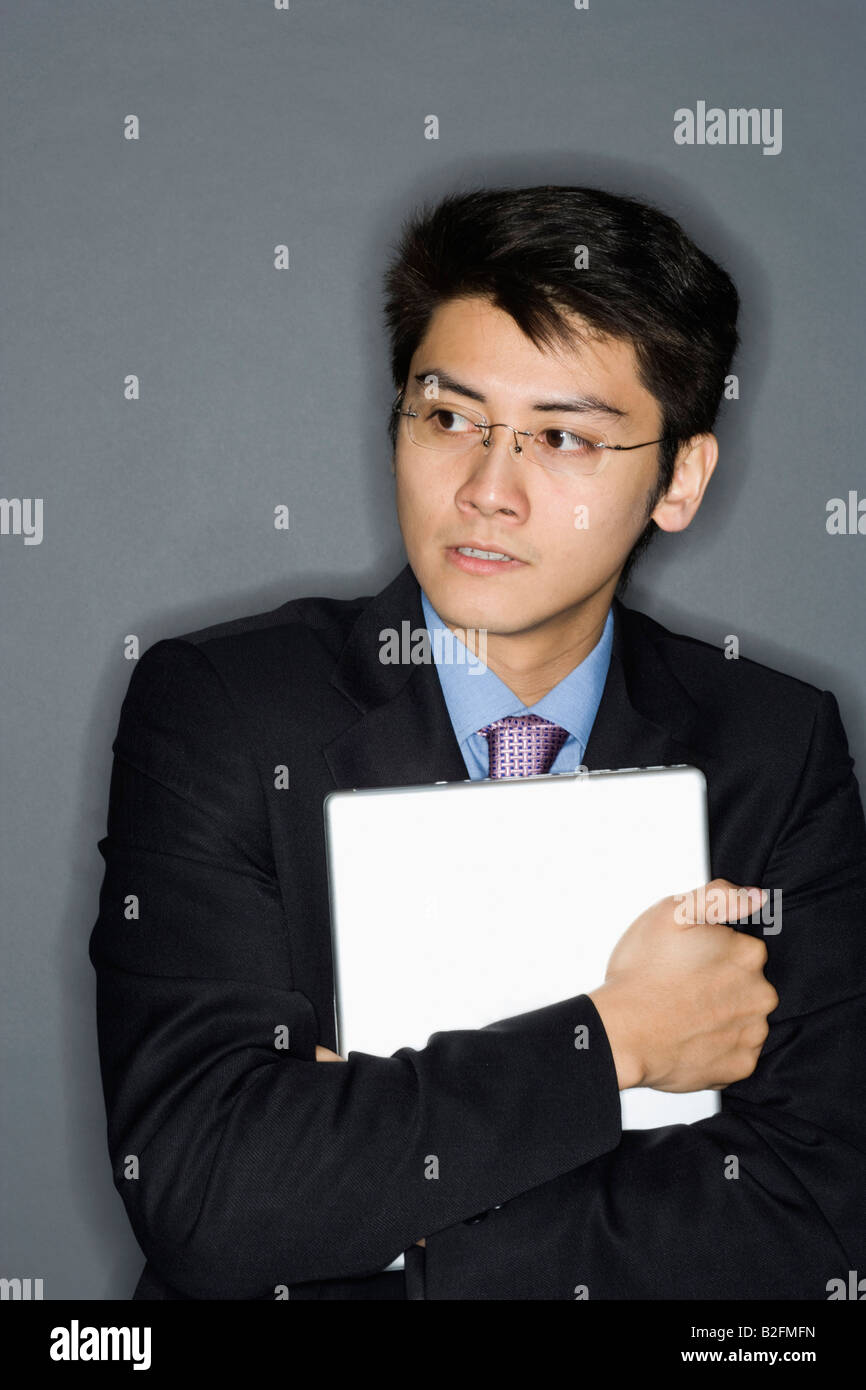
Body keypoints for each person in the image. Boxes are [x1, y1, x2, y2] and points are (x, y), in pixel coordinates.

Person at [89, 185, 866, 1300]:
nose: (486, 490)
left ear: (678, 478)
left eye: (561, 438)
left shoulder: (772, 743)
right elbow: (213, 1192)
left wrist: (389, 1215)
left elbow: (808, 1211)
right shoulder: (220, 706)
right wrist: (616, 1040)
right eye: (447, 417)